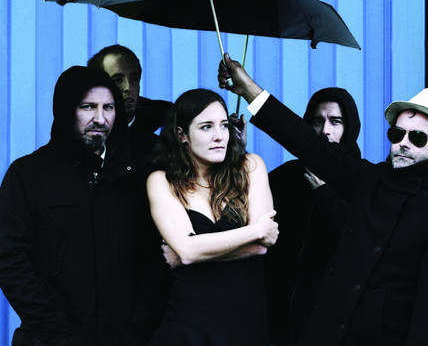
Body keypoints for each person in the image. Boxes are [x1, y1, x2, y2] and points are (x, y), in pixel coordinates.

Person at [219, 55, 428, 346]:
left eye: (417, 138)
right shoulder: (370, 179)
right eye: (397, 134)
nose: (403, 143)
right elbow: (307, 143)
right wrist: (248, 88)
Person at [0, 66, 162, 345]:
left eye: (108, 107)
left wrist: (140, 324)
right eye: (88, 107)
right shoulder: (28, 174)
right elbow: (9, 258)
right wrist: (56, 330)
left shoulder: (136, 173)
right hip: (49, 339)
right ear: (66, 111)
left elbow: (153, 256)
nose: (100, 118)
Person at [146, 88, 278, 345]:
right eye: (206, 127)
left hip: (244, 323)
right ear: (182, 135)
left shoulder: (250, 167)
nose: (219, 136)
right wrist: (256, 230)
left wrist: (195, 251)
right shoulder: (162, 181)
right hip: (189, 323)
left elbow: (261, 248)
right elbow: (187, 252)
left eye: (224, 125)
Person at [267, 87, 361, 345]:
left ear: (350, 127)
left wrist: (324, 195)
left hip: (331, 319)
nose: (325, 130)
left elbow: (357, 240)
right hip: (279, 313)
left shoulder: (362, 181)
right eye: (317, 121)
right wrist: (237, 153)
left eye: (336, 121)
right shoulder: (287, 176)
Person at [88, 44, 170, 154]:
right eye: (118, 80)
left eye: (134, 79)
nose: (128, 87)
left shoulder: (158, 142)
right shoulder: (82, 137)